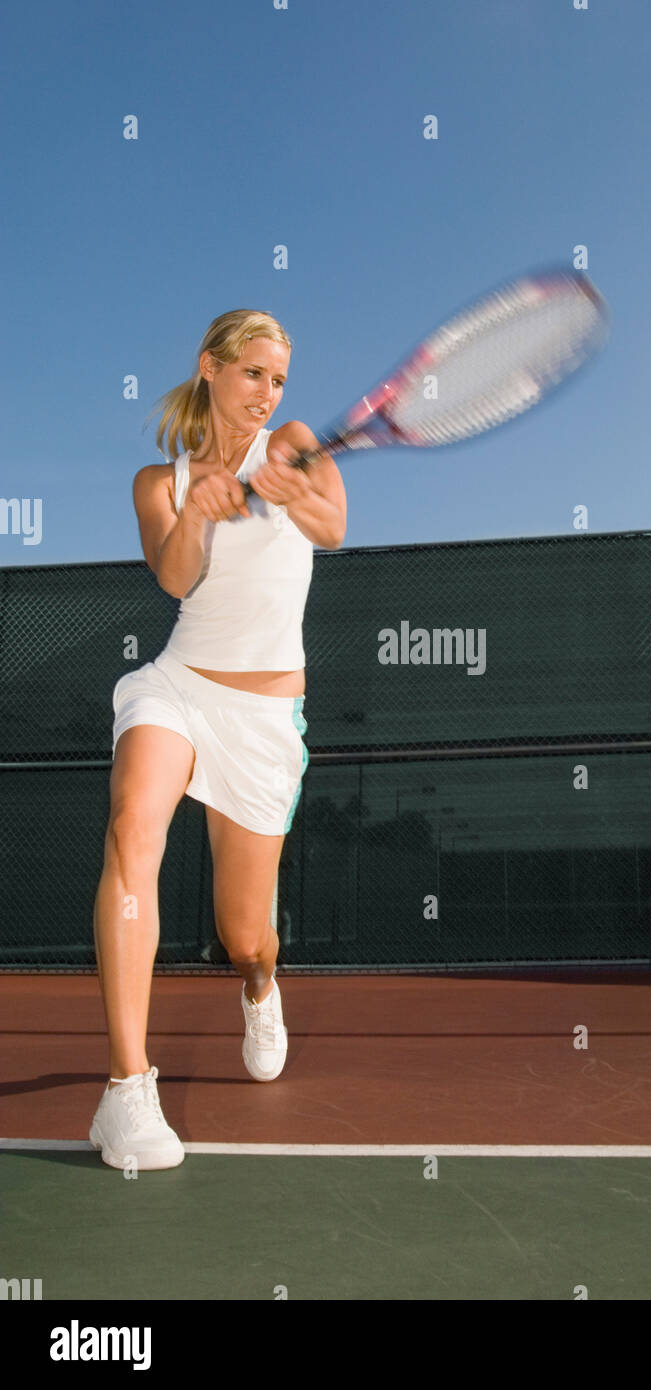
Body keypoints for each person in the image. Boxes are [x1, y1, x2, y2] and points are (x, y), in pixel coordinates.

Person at [89, 310, 347, 1170]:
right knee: (133, 832)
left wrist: (294, 487)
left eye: (277, 380)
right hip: (178, 686)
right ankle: (128, 1091)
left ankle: (261, 987)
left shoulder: (297, 441)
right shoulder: (153, 481)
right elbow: (174, 575)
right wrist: (198, 509)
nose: (266, 393)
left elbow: (331, 528)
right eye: (252, 375)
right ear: (211, 368)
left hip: (265, 720)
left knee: (246, 934)